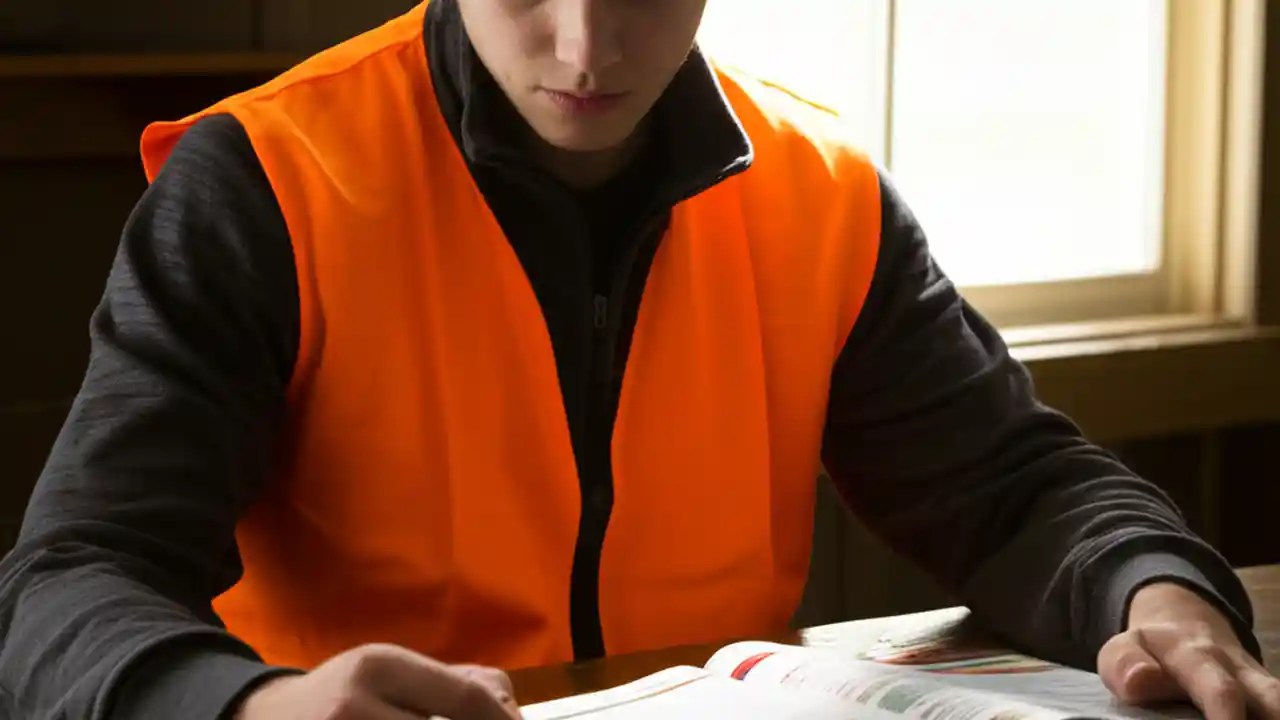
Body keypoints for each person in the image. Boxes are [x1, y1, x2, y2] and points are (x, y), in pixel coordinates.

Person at [0, 0, 1276, 718]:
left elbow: (1013, 488)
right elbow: (65, 581)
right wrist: (248, 711)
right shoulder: (263, 180)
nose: (583, 48)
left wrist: (1147, 587)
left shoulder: (820, 190)